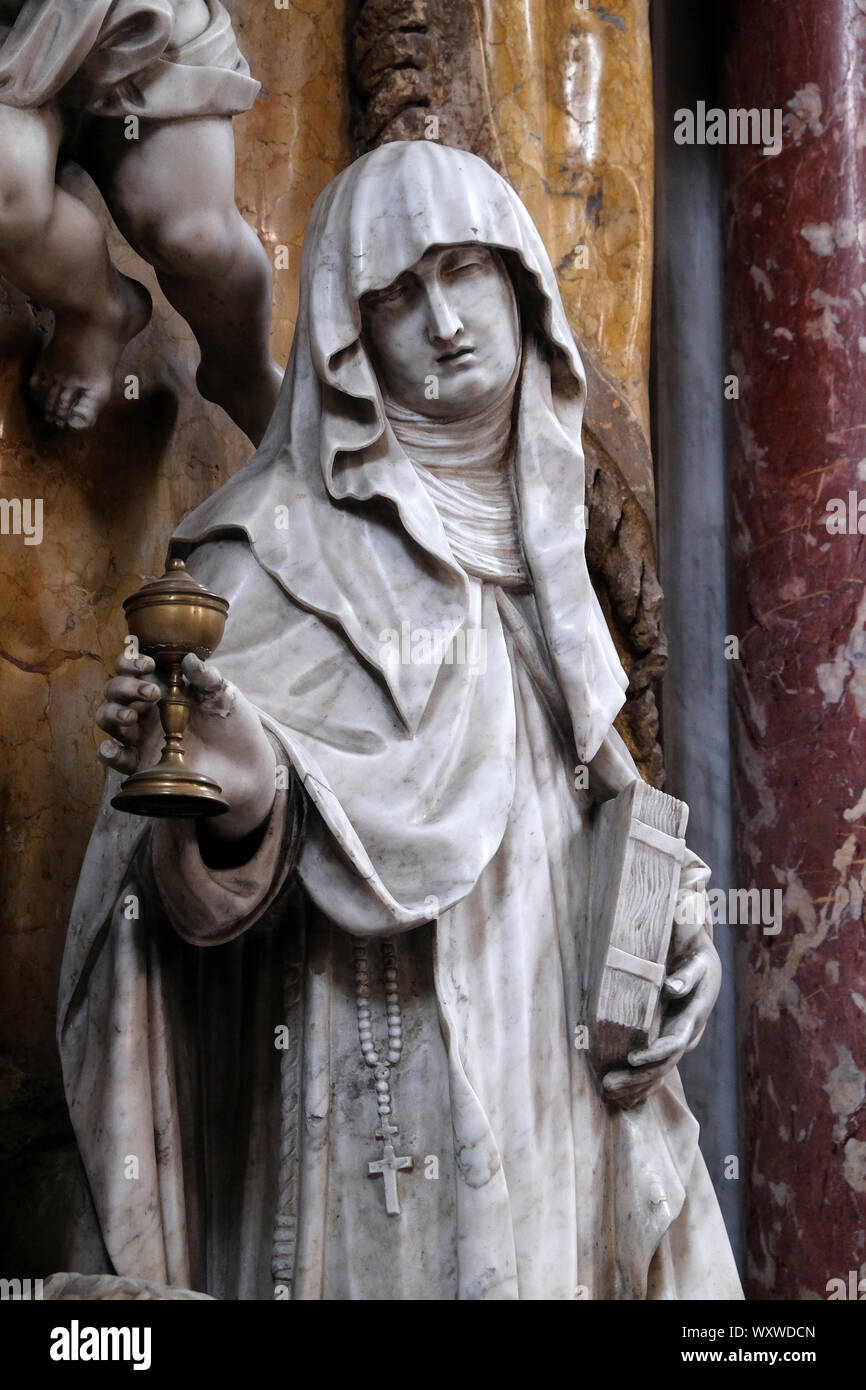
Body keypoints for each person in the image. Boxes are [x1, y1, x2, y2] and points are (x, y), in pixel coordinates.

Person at [62, 140, 743, 1300]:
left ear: (521, 287)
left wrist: (671, 952)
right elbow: (150, 928)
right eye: (394, 293)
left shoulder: (541, 554)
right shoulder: (261, 551)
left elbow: (588, 819)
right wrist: (245, 814)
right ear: (345, 333)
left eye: (467, 270)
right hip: (359, 1074)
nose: (443, 322)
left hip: (554, 1091)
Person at [0, 0, 280, 441]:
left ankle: (243, 372)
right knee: (5, 189)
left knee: (196, 236)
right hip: (8, 49)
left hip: (135, 23)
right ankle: (97, 310)